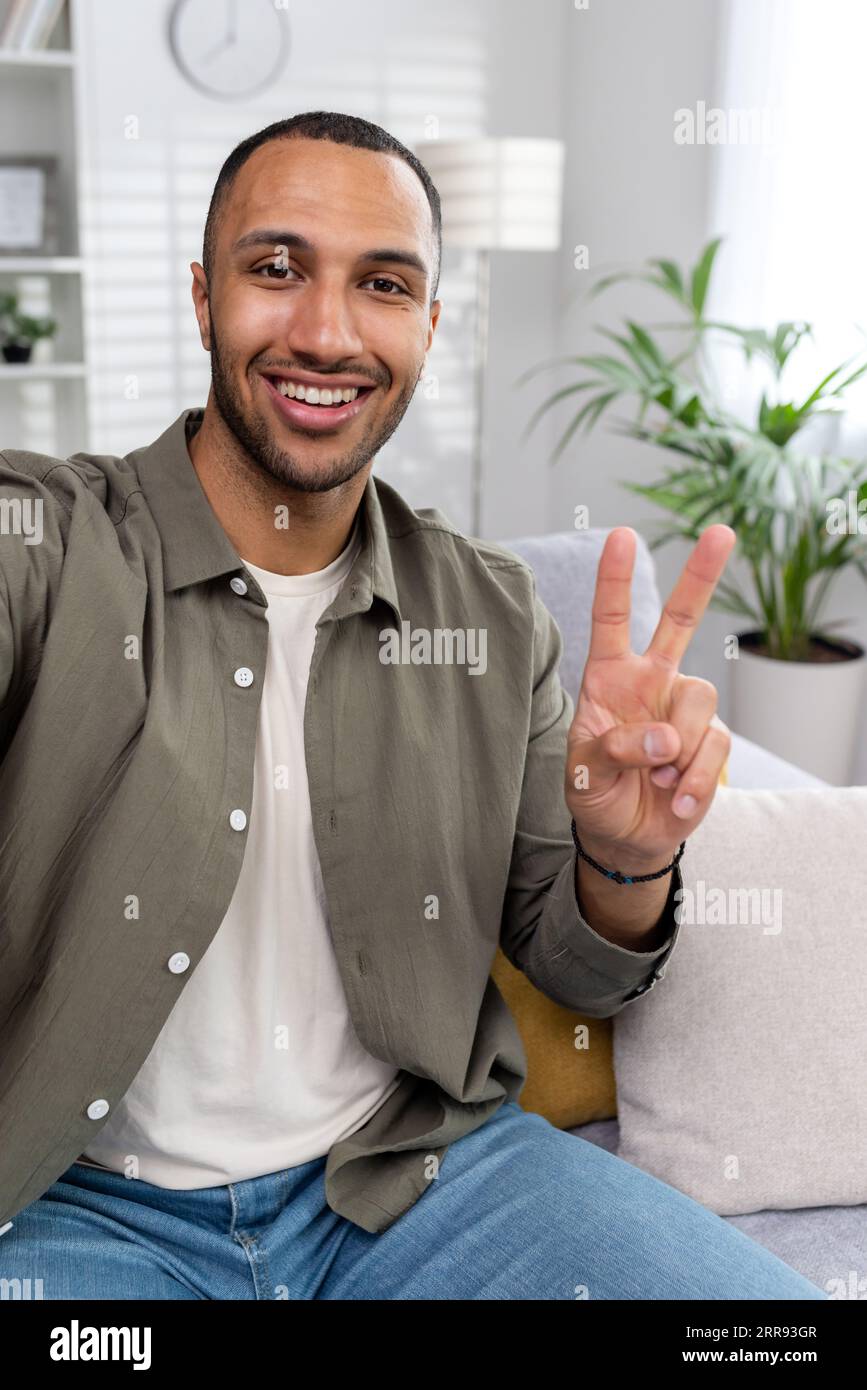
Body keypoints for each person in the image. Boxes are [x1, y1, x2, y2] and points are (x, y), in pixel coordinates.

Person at [0, 111, 825, 1300]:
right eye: (275, 268)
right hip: (83, 1215)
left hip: (418, 1180)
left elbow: (583, 971)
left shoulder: (492, 616)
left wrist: (625, 858)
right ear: (202, 296)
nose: (326, 331)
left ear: (428, 326)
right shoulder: (51, 541)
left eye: (382, 284)